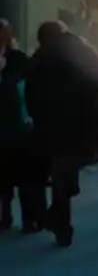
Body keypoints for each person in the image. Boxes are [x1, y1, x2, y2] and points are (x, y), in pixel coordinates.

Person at [24, 20, 98, 246]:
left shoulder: (42, 57)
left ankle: (58, 219)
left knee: (59, 172)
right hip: (78, 124)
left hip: (54, 126)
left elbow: (31, 91)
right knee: (65, 171)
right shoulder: (81, 51)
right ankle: (59, 218)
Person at [1, 19, 43, 233]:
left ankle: (26, 217)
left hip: (19, 126)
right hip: (12, 126)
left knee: (23, 175)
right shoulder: (18, 60)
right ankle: (8, 214)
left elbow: (32, 87)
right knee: (9, 176)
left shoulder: (17, 60)